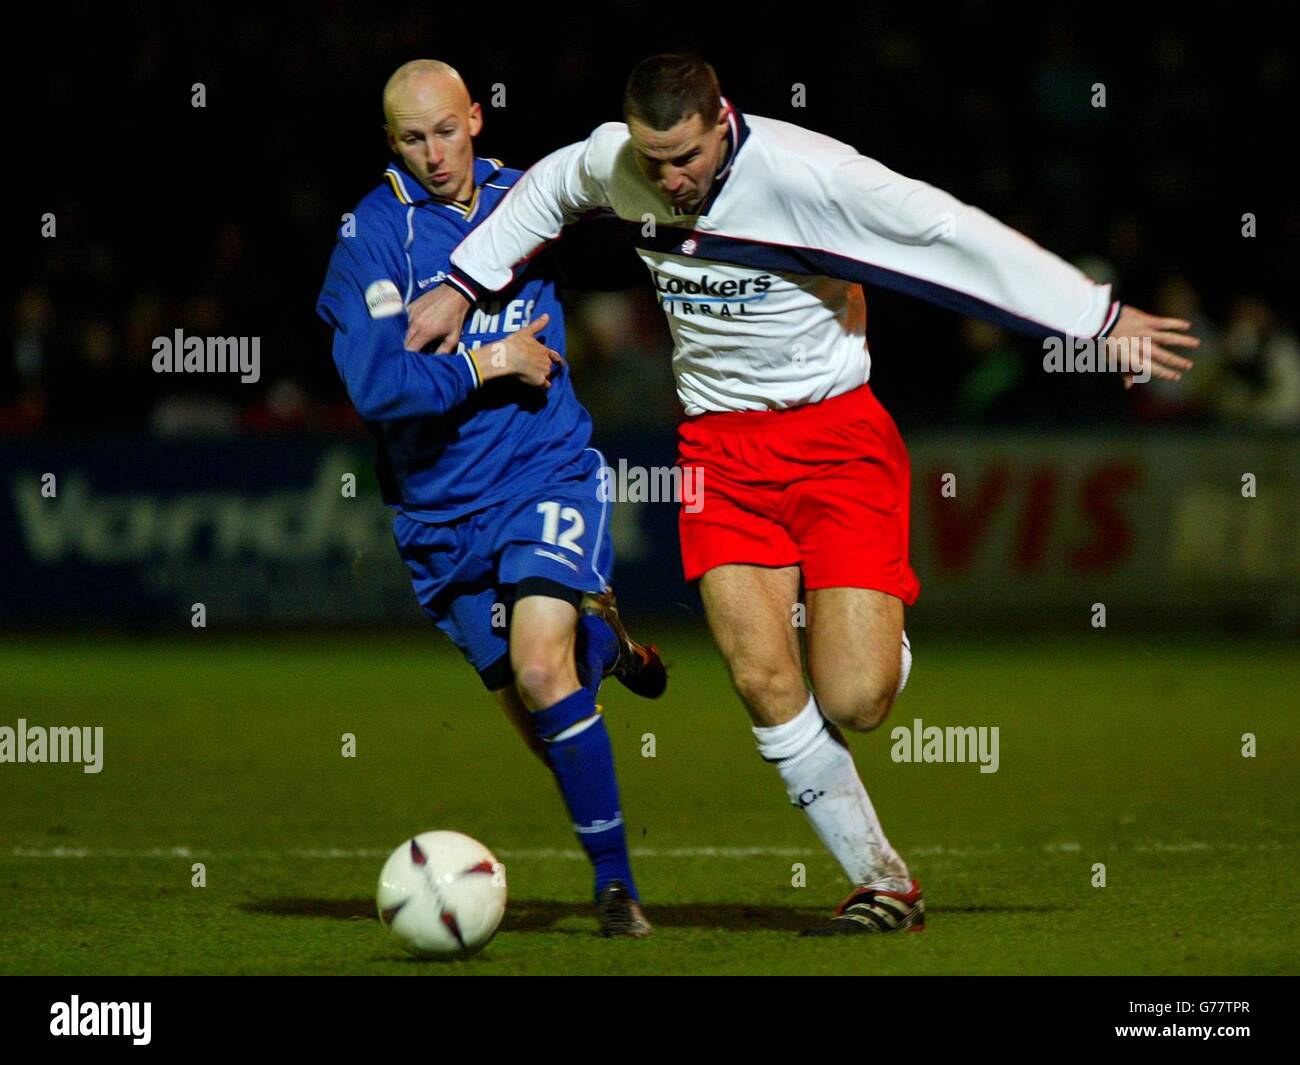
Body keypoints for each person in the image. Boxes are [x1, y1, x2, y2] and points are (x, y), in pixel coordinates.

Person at [403, 54, 1199, 936]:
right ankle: (882, 881)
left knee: (854, 697)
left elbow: (951, 233)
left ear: (721, 122)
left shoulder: (813, 175)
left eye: (686, 158)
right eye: (653, 160)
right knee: (761, 675)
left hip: (835, 441)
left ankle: (875, 643)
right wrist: (461, 280)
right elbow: (551, 186)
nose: (669, 179)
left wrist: (1093, 317)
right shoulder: (617, 161)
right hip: (717, 449)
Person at [316, 59, 666, 938]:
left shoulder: (529, 201)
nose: (435, 154)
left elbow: (634, 218)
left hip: (543, 472)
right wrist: (489, 361)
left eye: (446, 129)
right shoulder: (372, 236)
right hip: (438, 520)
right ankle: (599, 642)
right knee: (545, 715)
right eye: (412, 138)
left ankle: (615, 889)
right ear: (390, 141)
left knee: (543, 670)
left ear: (475, 117)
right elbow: (378, 385)